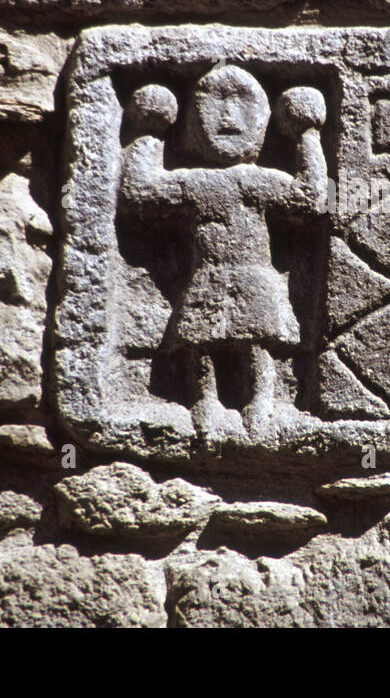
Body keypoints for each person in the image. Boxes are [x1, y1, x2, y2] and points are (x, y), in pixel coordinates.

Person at [120, 63, 326, 433]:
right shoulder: (197, 182)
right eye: (215, 106)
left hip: (254, 274)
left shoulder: (257, 181)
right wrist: (151, 131)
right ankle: (205, 400)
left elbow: (310, 196)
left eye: (243, 107)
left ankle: (261, 402)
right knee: (201, 340)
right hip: (210, 273)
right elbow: (140, 191)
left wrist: (306, 135)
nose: (229, 119)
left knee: (257, 344)